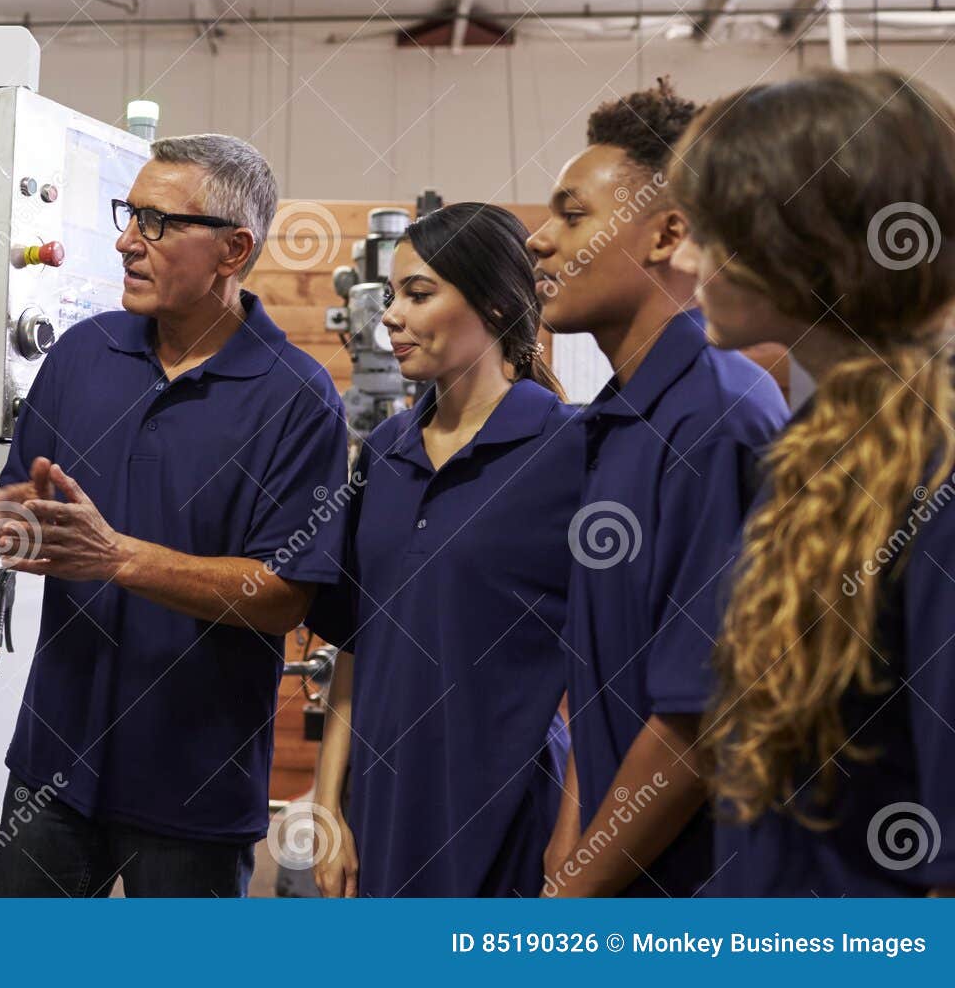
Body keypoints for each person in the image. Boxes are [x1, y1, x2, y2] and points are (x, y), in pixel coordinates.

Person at [0, 134, 350, 897]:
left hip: (192, 785)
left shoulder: (297, 397)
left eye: (155, 222)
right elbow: (15, 509)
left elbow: (284, 594)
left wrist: (117, 556)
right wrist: (9, 529)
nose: (126, 240)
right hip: (52, 767)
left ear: (233, 248)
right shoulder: (82, 355)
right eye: (128, 213)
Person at [670, 70, 955, 896]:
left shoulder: (932, 475)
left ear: (804, 248)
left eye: (715, 234)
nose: (687, 257)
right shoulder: (815, 450)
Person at [525, 79, 788, 896]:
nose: (539, 239)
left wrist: (572, 895)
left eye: (572, 215)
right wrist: (565, 845)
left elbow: (698, 720)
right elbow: (606, 677)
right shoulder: (616, 420)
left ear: (666, 232)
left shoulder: (718, 414)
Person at [307, 202, 584, 897]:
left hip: (508, 822)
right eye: (393, 294)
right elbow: (354, 641)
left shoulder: (571, 449)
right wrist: (325, 803)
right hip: (381, 814)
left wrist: (576, 836)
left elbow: (607, 667)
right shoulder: (385, 451)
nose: (390, 316)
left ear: (493, 305)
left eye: (419, 294)